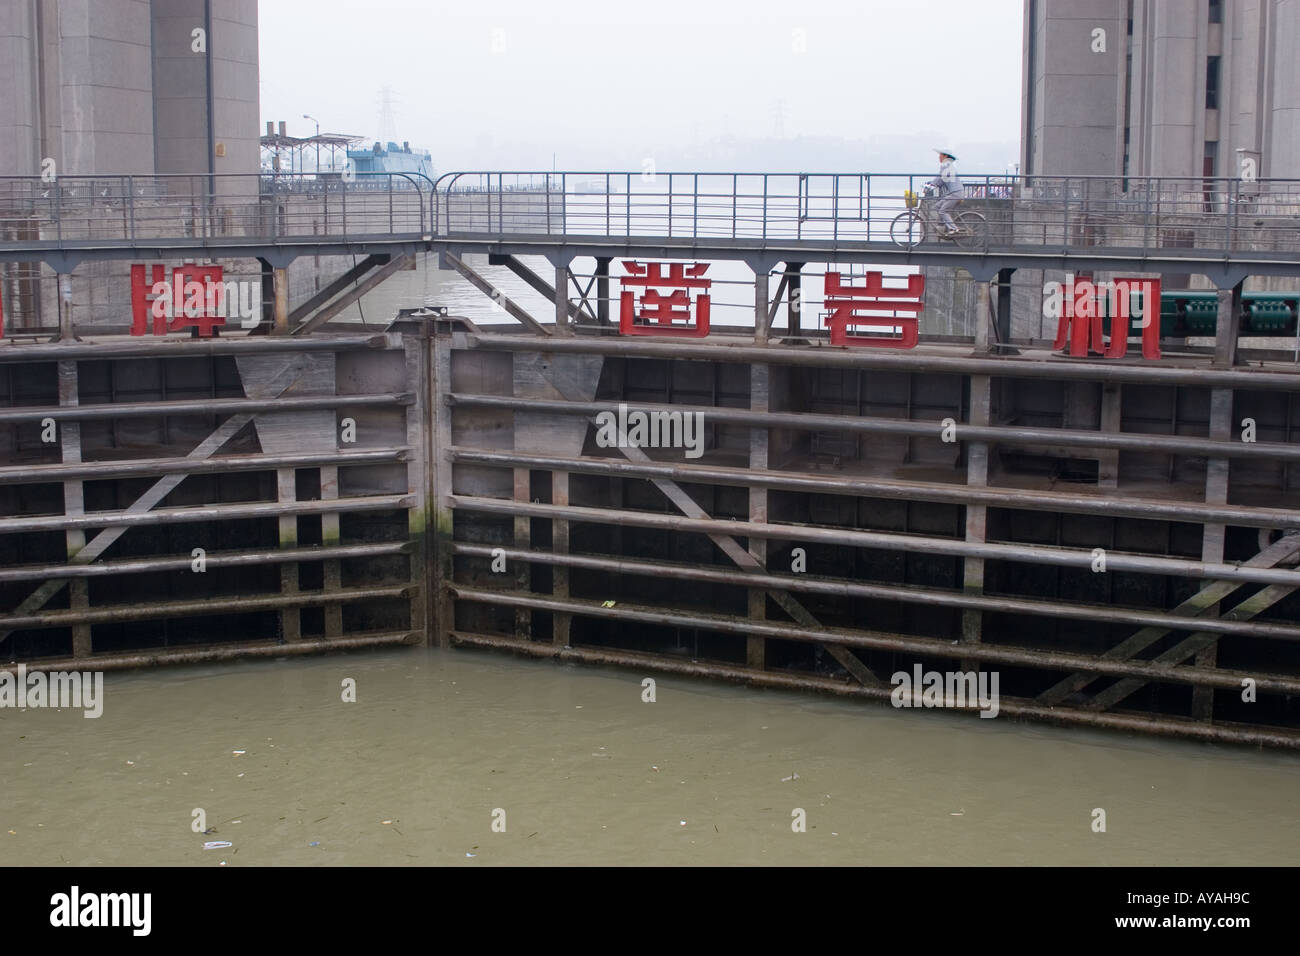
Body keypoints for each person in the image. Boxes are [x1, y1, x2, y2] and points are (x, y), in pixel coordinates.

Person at [928, 149, 965, 236]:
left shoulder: (946, 165)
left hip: (955, 193)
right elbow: (941, 179)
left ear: (945, 156)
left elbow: (940, 178)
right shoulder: (948, 165)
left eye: (940, 155)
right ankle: (943, 226)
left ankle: (953, 228)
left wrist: (931, 185)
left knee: (942, 211)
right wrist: (933, 184)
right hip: (955, 193)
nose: (939, 157)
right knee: (937, 206)